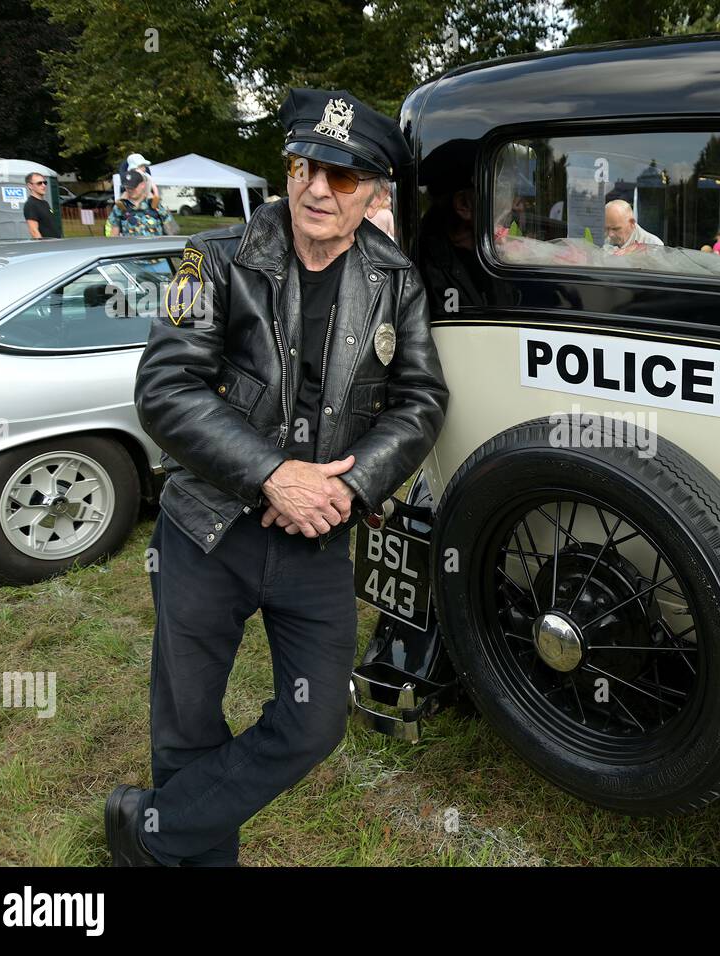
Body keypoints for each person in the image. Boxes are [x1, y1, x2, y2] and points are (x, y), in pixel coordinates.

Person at [109, 87, 448, 867]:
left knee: (314, 724)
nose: (317, 189)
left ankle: (150, 832)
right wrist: (271, 475)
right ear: (287, 169)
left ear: (374, 195)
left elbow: (421, 400)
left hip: (320, 534)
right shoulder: (212, 257)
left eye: (343, 177)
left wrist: (349, 486)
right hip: (206, 527)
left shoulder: (397, 279)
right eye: (305, 166)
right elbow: (166, 388)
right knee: (188, 721)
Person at [106, 170, 164, 236]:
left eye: (133, 187)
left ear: (143, 185)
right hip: (130, 246)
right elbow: (114, 236)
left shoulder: (155, 204)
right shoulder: (120, 207)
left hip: (153, 246)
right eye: (128, 187)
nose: (130, 190)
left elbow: (171, 232)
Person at [22, 171, 61, 239]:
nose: (43, 185)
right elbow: (34, 231)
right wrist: (43, 247)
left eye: (45, 182)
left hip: (56, 243)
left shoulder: (45, 203)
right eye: (39, 183)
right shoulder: (31, 204)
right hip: (47, 246)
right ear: (30, 186)